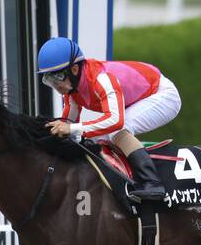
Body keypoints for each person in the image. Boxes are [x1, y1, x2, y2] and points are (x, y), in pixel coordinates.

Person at [36, 37, 181, 202]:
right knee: (97, 138)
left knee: (118, 130)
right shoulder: (72, 90)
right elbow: (68, 125)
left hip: (163, 95)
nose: (55, 85)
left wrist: (71, 129)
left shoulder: (101, 79)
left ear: (74, 70)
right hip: (138, 99)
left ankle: (152, 183)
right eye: (49, 80)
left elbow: (115, 121)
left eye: (58, 78)